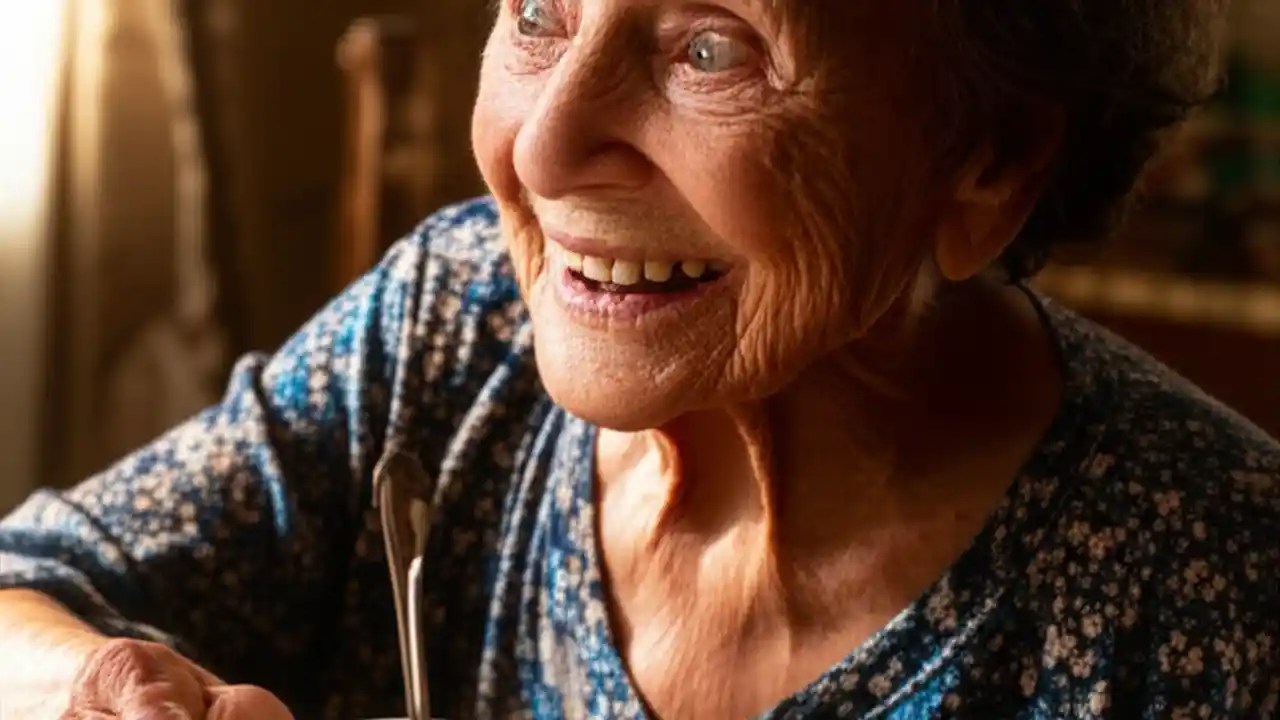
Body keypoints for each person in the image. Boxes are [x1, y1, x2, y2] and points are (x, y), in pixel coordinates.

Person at [2, 0, 1276, 718]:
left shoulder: (1215, 599)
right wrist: (99, 687)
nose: (543, 148)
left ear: (988, 159)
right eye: (538, 13)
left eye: (708, 47)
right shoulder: (456, 323)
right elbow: (28, 584)